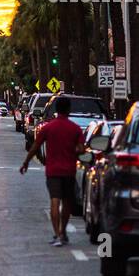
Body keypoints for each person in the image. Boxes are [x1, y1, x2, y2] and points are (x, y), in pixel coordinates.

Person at [19, 95, 85, 246]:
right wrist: (75, 150)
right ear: (68, 110)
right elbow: (82, 149)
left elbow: (35, 146)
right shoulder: (75, 129)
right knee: (67, 202)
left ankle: (56, 234)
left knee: (54, 201)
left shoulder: (49, 127)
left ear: (56, 110)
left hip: (53, 170)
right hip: (69, 170)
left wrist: (26, 163)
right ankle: (63, 232)